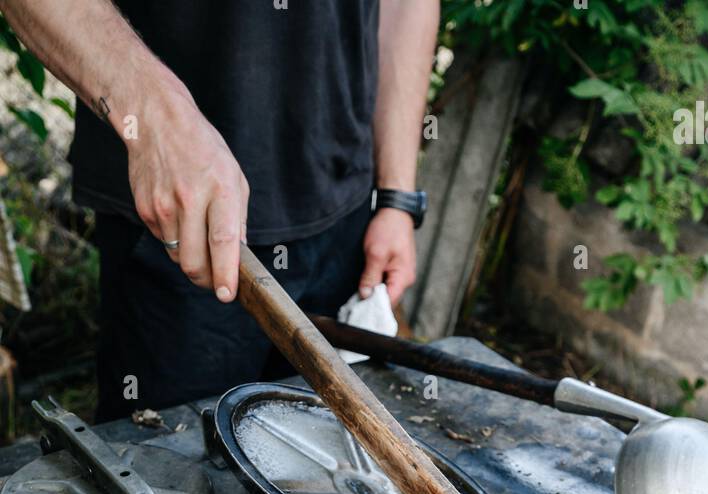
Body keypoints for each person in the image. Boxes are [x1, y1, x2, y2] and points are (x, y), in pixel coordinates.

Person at [3, 0, 438, 419]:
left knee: (325, 471)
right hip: (176, 224)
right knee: (172, 467)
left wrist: (397, 197)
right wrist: (156, 117)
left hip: (348, 219)